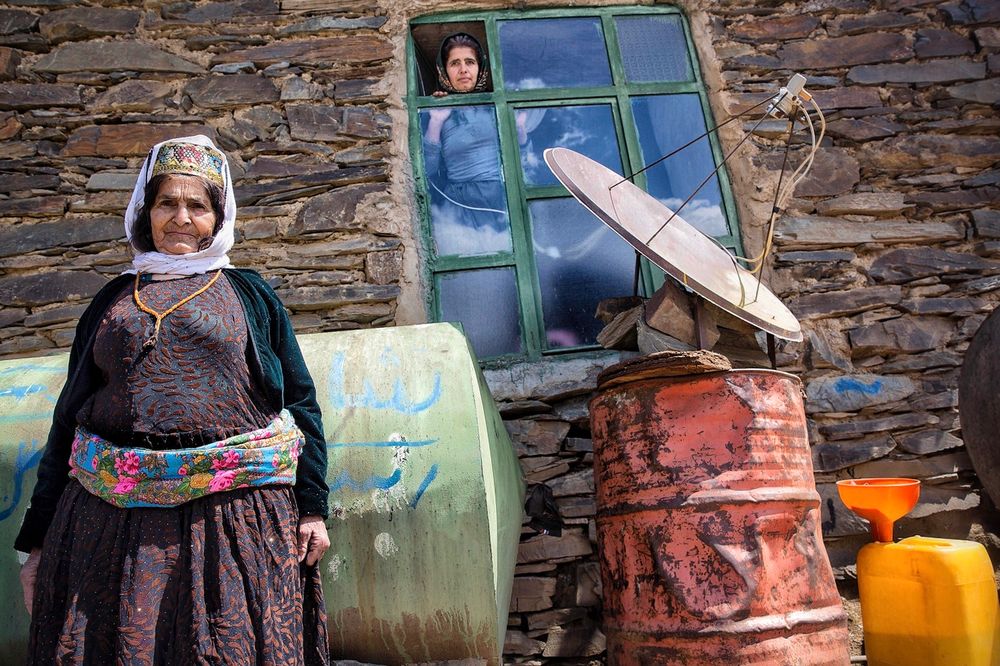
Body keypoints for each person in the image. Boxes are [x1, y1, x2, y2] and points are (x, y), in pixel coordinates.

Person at [15, 135, 331, 665]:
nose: (181, 218)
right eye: (167, 203)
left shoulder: (250, 294)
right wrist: (38, 543)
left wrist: (313, 509)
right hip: (113, 526)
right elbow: (67, 420)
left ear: (218, 216)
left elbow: (300, 403)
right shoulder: (112, 300)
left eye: (197, 206)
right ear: (145, 211)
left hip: (235, 524)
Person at [423, 33, 512, 247]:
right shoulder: (436, 110)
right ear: (444, 70)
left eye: (470, 62)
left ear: (480, 68)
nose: (463, 69)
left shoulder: (495, 107)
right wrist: (436, 121)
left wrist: (520, 128)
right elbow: (426, 170)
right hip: (460, 207)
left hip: (502, 199)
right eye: (455, 63)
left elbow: (522, 154)